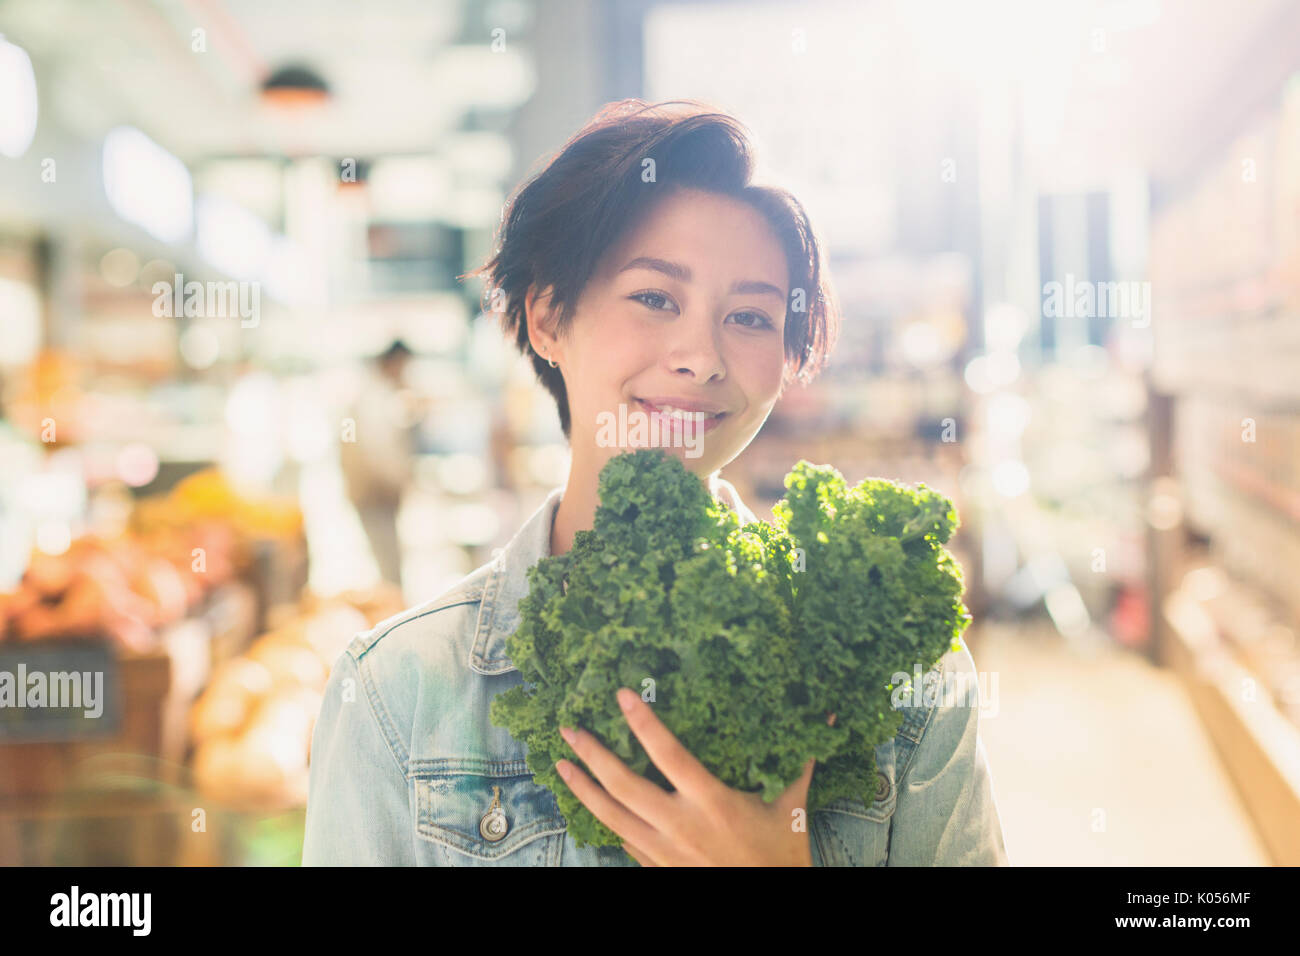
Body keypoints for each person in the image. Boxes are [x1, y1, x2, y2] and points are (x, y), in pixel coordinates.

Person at [304, 99, 1010, 866]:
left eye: (749, 318)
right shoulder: (396, 694)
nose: (701, 356)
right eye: (654, 298)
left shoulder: (908, 681)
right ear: (546, 317)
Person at [339, 339, 415, 588]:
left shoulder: (371, 392)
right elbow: (380, 451)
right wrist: (399, 481)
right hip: (376, 492)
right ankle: (394, 617)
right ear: (393, 363)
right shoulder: (377, 397)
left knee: (387, 560)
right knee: (388, 563)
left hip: (373, 492)